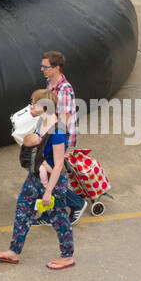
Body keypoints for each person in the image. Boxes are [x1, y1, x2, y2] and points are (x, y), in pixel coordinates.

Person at [0, 89, 75, 269]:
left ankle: (67, 256)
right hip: (35, 176)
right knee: (23, 210)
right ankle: (13, 252)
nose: (30, 106)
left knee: (58, 217)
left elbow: (59, 165)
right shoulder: (40, 123)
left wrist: (49, 191)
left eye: (33, 103)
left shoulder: (58, 132)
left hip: (53, 181)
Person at [39, 51, 85, 223]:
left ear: (56, 68)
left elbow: (63, 122)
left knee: (51, 174)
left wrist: (47, 138)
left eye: (46, 66)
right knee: (44, 173)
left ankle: (76, 203)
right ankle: (47, 211)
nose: (42, 69)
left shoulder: (64, 90)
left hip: (57, 137)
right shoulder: (50, 83)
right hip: (48, 134)